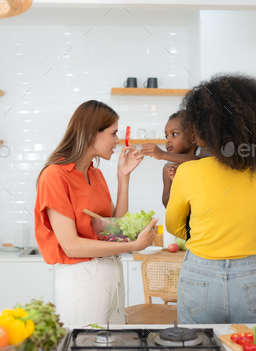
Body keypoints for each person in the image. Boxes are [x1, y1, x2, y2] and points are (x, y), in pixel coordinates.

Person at [165, 73, 256, 324]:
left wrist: (213, 233)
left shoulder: (188, 171)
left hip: (198, 275)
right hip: (250, 279)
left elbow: (174, 226)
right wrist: (246, 232)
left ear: (208, 126)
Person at [34, 100, 159, 325]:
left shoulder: (95, 174)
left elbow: (113, 227)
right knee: (84, 343)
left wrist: (123, 176)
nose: (117, 141)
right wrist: (133, 246)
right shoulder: (55, 176)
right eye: (113, 133)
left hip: (112, 272)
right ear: (92, 133)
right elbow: (71, 246)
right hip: (82, 277)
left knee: (115, 343)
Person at [140, 111, 212, 208]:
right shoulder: (168, 167)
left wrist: (162, 154)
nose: (168, 140)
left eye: (174, 134)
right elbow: (166, 203)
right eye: (166, 136)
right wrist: (176, 182)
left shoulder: (203, 154)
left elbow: (197, 161)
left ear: (193, 138)